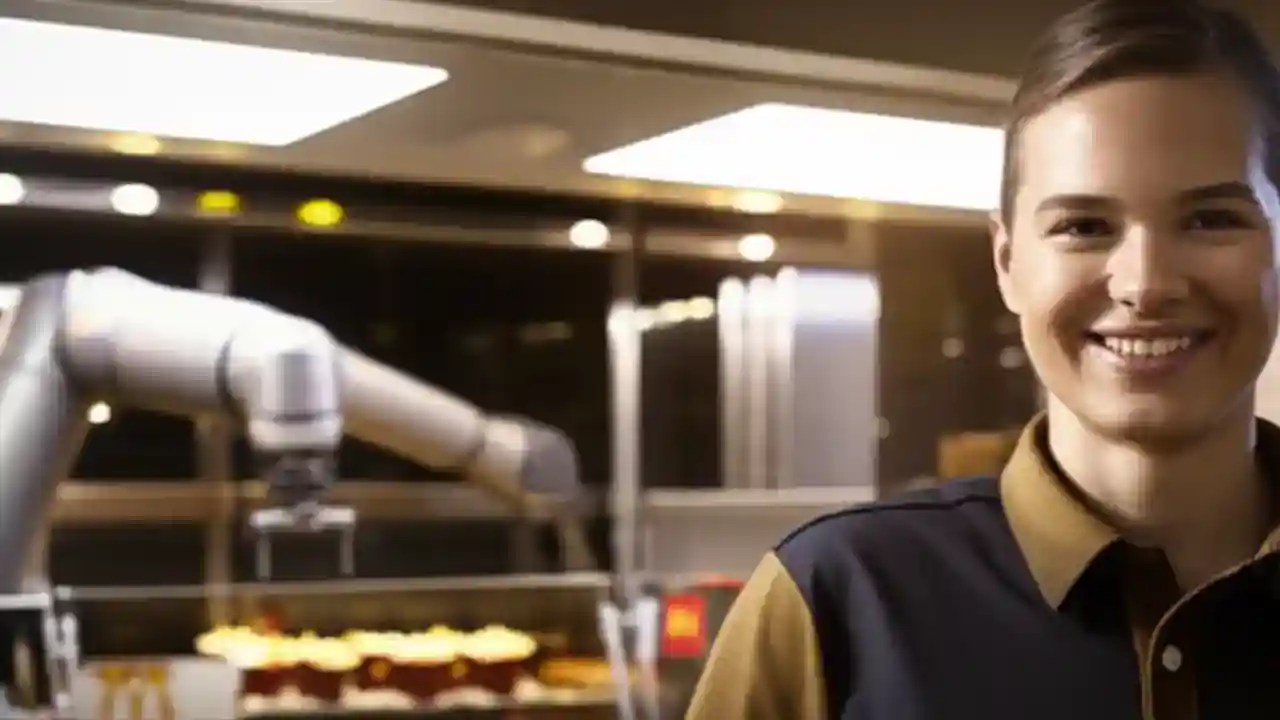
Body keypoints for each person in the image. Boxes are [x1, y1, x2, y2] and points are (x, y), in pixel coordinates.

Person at [685, 0, 1280, 718]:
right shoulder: (837, 600)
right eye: (1084, 226)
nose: (1145, 283)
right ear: (1007, 263)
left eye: (1211, 219)